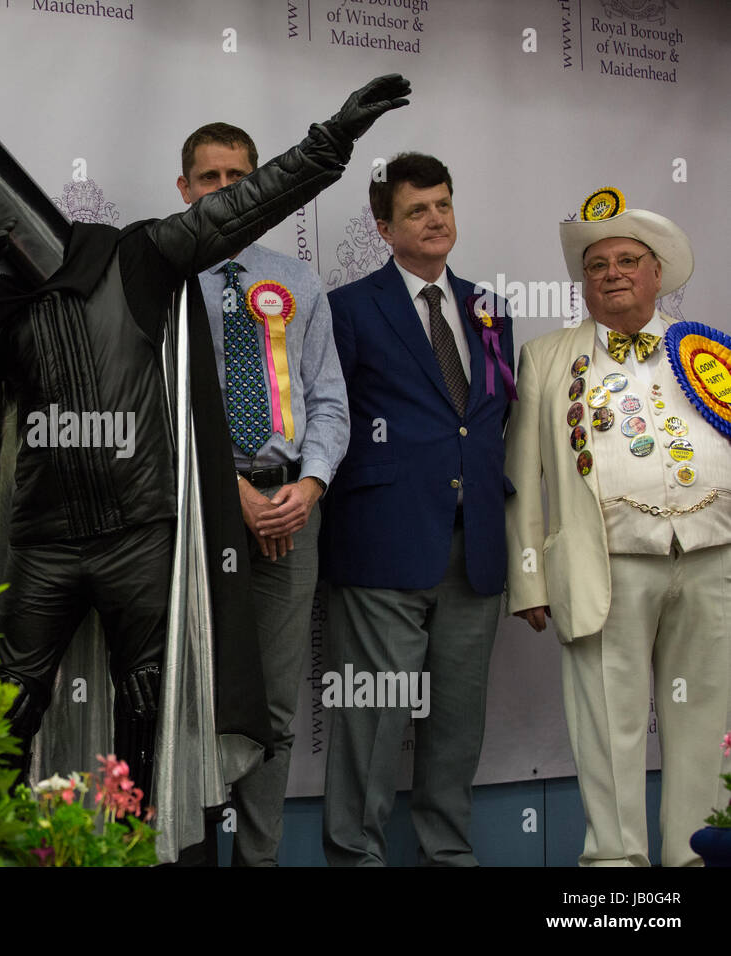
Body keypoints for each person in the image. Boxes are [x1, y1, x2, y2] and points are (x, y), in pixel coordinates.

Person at [0, 77, 408, 820]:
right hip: (45, 540)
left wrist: (330, 143)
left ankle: (142, 845)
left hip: (141, 535)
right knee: (8, 710)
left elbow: (251, 202)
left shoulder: (141, 257)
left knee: (149, 715)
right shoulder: (13, 304)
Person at [505, 188, 729, 867]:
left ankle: (695, 856)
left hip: (713, 557)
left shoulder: (708, 350)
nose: (612, 273)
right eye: (597, 264)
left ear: (657, 273)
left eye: (628, 260)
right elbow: (522, 476)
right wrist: (529, 579)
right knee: (609, 726)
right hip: (606, 563)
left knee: (703, 722)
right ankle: (615, 868)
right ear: (583, 281)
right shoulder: (547, 356)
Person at [321, 152, 515, 866]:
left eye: (443, 205)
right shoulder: (346, 307)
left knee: (457, 729)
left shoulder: (490, 309)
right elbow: (330, 420)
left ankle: (449, 857)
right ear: (384, 227)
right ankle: (355, 857)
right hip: (381, 549)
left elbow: (489, 422)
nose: (435, 220)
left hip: (476, 551)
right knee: (371, 726)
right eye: (416, 210)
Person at [175, 122, 348, 866]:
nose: (226, 190)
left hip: (291, 513)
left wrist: (306, 488)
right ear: (184, 189)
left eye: (238, 176)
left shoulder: (300, 283)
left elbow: (329, 402)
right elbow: (163, 407)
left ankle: (260, 858)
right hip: (199, 511)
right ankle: (190, 850)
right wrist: (231, 493)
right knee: (195, 700)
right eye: (209, 178)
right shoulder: (164, 281)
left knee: (277, 705)